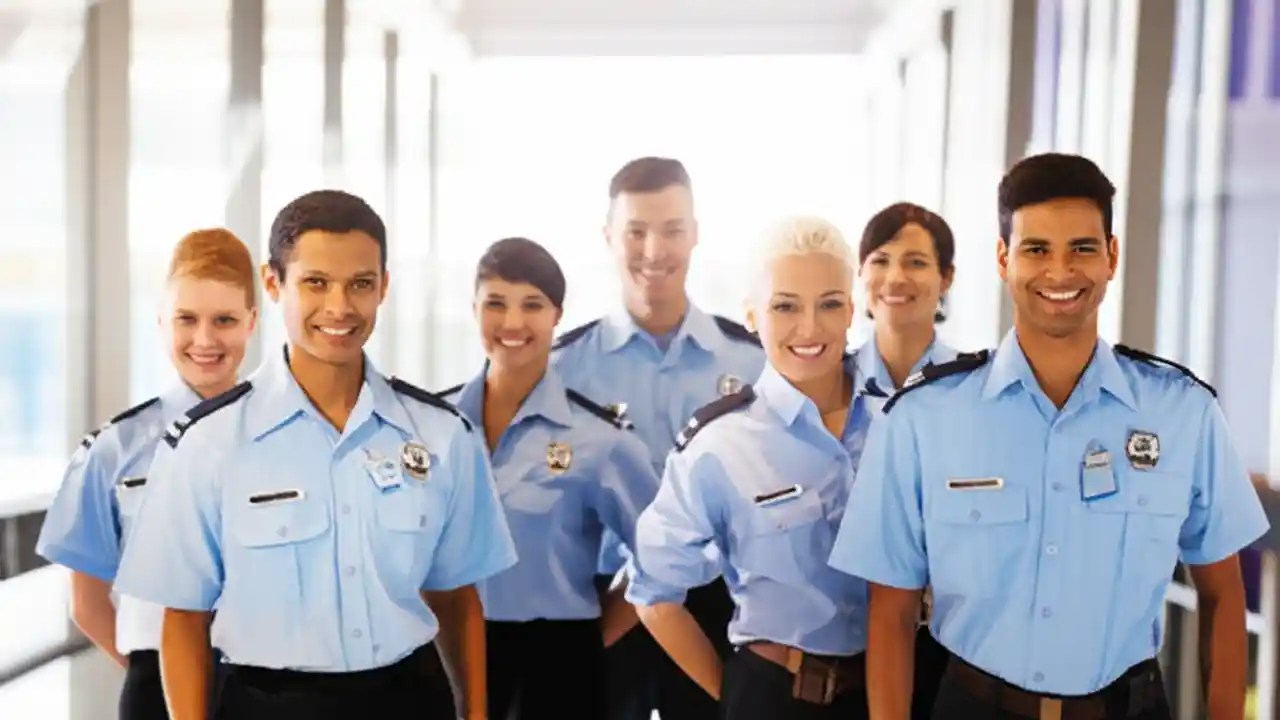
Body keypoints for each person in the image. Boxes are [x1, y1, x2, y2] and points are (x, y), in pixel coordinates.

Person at [829, 152, 1268, 720]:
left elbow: (1222, 593)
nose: (1060, 272)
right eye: (1037, 249)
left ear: (1111, 256)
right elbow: (890, 611)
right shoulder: (922, 417)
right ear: (1003, 259)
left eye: (1082, 248)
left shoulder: (1183, 413)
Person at [114, 189, 517, 720]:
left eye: (361, 285)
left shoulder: (443, 436)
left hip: (410, 698)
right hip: (265, 703)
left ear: (384, 287)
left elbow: (457, 598)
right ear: (274, 282)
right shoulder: (207, 443)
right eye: (316, 283)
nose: (340, 307)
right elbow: (184, 617)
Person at [627, 216, 870, 720]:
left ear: (851, 311)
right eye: (785, 306)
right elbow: (653, 593)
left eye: (828, 304)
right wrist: (735, 697)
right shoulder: (719, 445)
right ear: (752, 317)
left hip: (895, 691)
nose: (809, 328)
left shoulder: (900, 421)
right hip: (774, 694)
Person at [551, 156, 765, 720]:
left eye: (672, 230)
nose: (654, 250)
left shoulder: (752, 359)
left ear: (695, 234)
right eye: (636, 232)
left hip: (715, 608)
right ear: (608, 237)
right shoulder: (561, 368)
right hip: (601, 607)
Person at [36, 228, 259, 720]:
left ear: (251, 323)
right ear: (161, 322)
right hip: (156, 684)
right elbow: (88, 603)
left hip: (271, 684)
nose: (204, 339)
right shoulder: (114, 450)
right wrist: (152, 675)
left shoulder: (283, 439)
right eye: (186, 319)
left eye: (224, 320)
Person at [435, 237, 661, 718]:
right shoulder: (431, 425)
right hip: (443, 653)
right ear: (473, 309)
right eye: (495, 303)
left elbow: (663, 556)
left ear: (557, 315)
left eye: (531, 305)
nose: (512, 322)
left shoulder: (601, 440)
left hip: (556, 666)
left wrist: (591, 633)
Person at [850, 202, 962, 719]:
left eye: (916, 262)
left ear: (946, 278)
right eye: (880, 259)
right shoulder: (826, 386)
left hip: (943, 649)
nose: (896, 277)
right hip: (835, 647)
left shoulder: (977, 394)